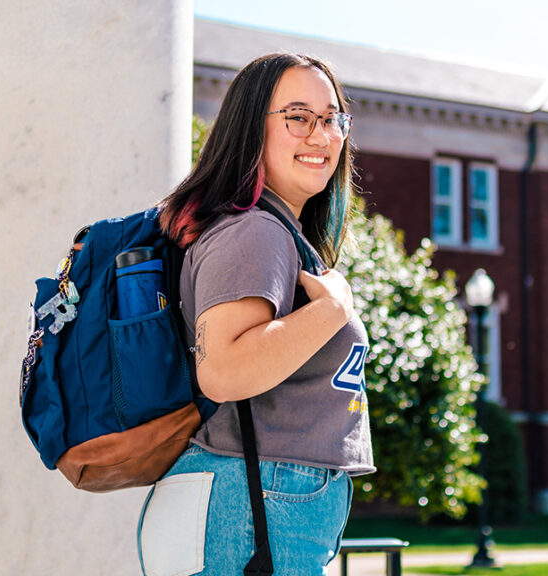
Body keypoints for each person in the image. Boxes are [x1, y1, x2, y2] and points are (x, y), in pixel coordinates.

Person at [136, 53, 375, 575]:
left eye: (333, 118)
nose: (322, 135)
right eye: (297, 117)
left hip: (253, 503)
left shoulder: (274, 230)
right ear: (251, 129)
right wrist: (334, 308)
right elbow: (223, 370)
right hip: (251, 505)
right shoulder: (255, 230)